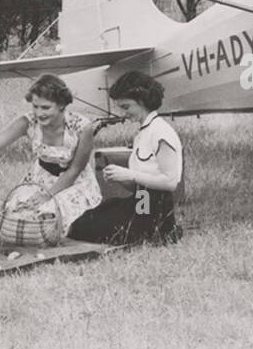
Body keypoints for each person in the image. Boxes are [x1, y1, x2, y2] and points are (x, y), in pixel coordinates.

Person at [0, 73, 102, 234]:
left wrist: (48, 195)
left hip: (73, 182)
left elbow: (75, 170)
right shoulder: (28, 121)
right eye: (35, 106)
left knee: (49, 215)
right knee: (15, 213)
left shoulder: (82, 127)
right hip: (39, 178)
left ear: (61, 105)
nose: (39, 113)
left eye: (46, 107)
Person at [68, 71, 182, 246]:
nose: (123, 113)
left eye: (126, 107)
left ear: (142, 101)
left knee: (87, 229)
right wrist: (121, 178)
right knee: (85, 220)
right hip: (142, 200)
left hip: (155, 206)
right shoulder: (144, 131)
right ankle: (145, 230)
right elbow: (141, 183)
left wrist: (129, 175)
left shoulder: (161, 132)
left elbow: (170, 182)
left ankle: (156, 231)